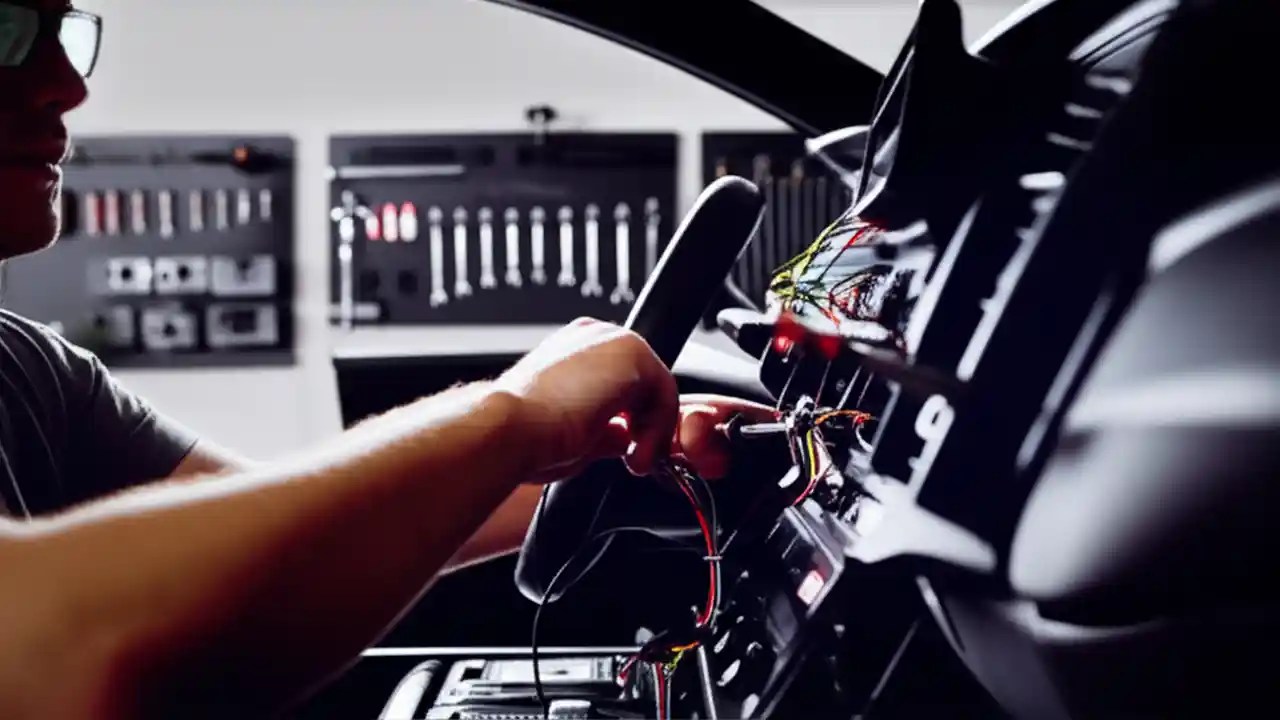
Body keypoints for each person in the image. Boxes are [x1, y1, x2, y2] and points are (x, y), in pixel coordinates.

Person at [0, 3, 771, 717]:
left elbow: (279, 559)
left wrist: (593, 468)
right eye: (5, 27)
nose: (67, 87)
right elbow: (48, 651)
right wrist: (511, 417)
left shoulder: (27, 368)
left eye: (59, 27)